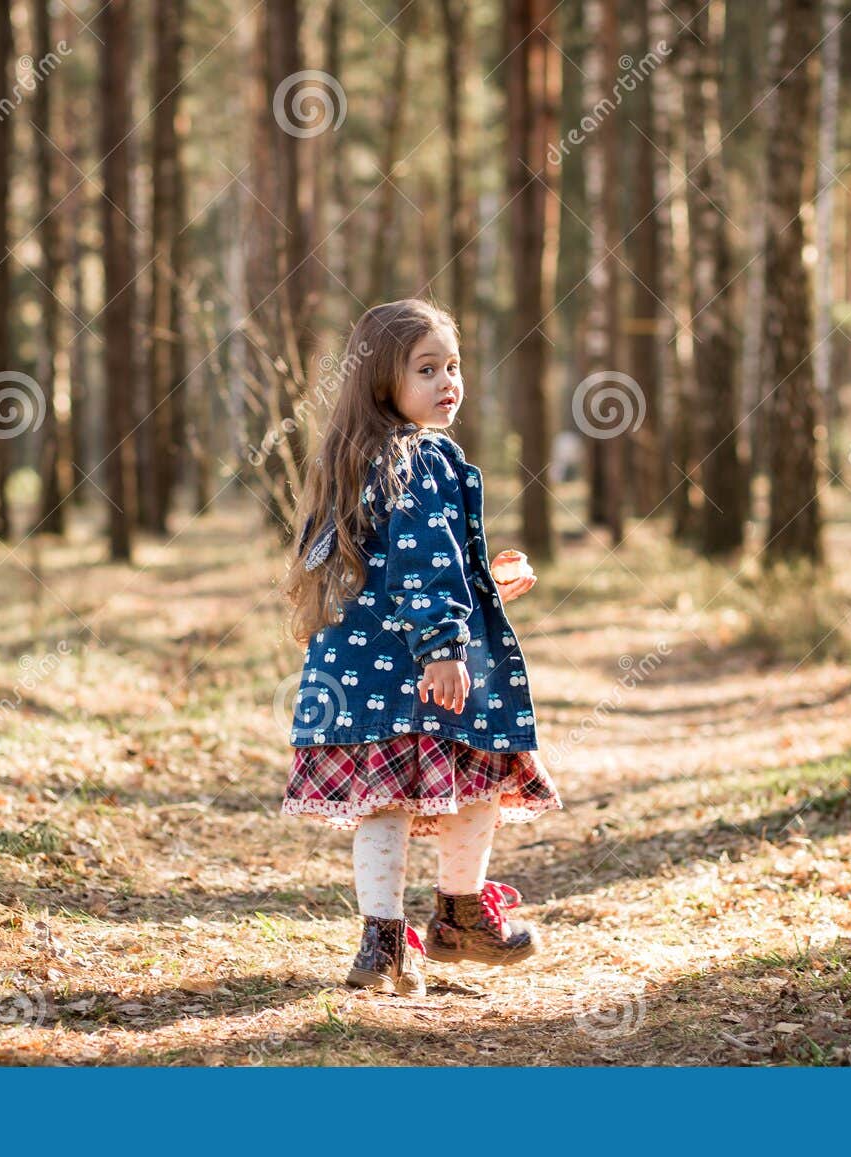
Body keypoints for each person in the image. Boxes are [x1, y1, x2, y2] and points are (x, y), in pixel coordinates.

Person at [279, 299, 562, 996]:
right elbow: (422, 558)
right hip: (418, 669)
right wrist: (444, 644)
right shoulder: (423, 454)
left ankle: (381, 944)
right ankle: (460, 913)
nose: (447, 382)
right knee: (481, 776)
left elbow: (389, 565)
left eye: (454, 366)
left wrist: (481, 584)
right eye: (426, 368)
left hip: (365, 676)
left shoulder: (355, 454)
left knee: (383, 804)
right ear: (382, 381)